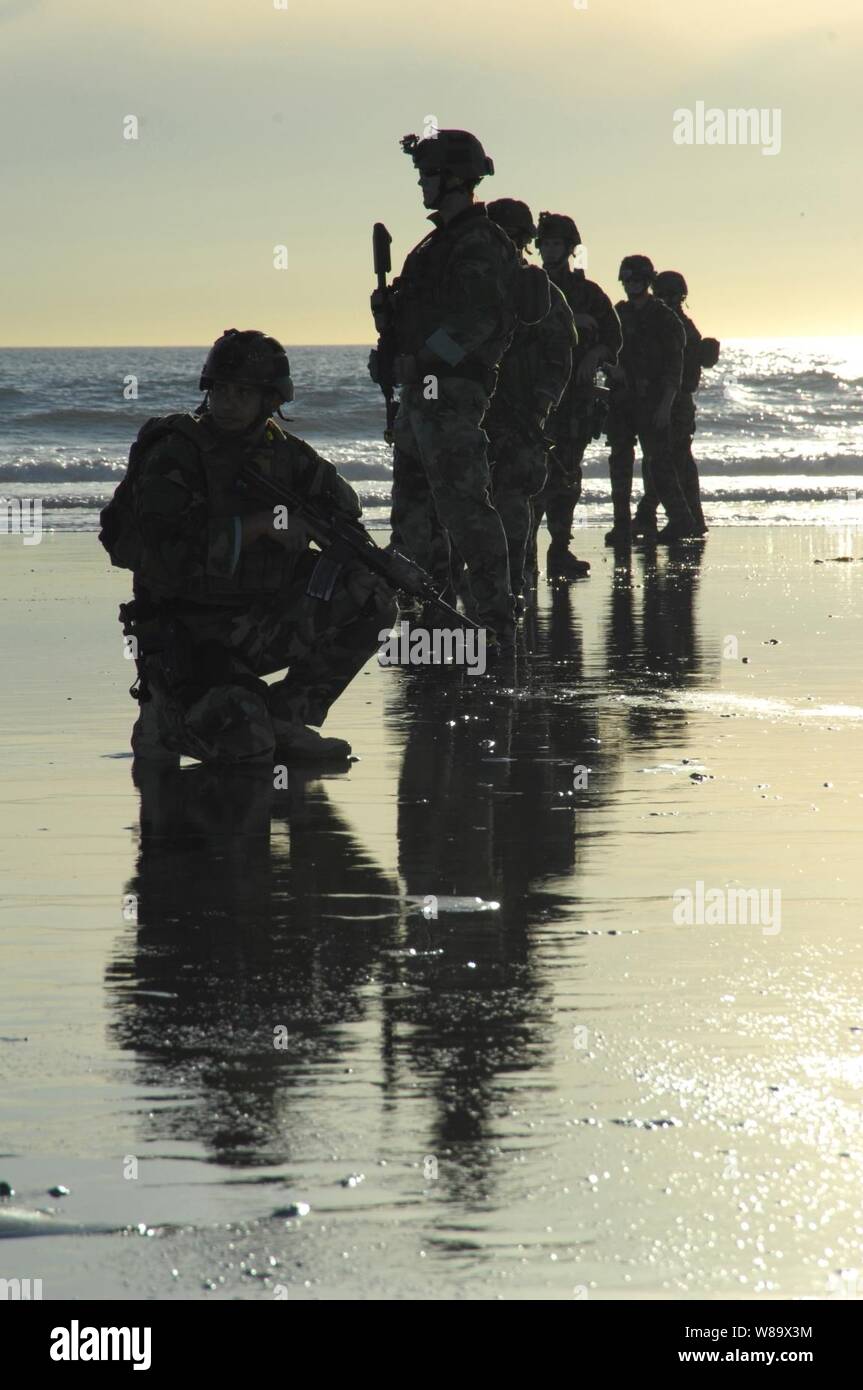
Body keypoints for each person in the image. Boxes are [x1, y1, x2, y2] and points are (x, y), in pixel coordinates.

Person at [99, 328, 397, 764]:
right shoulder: (175, 453)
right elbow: (165, 557)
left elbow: (343, 511)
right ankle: (164, 718)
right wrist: (259, 526)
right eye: (221, 389)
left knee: (371, 594)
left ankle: (288, 718)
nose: (228, 402)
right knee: (250, 745)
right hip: (188, 636)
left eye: (243, 392)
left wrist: (344, 543)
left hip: (254, 624)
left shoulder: (286, 455)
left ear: (270, 402)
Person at [374, 129, 521, 644]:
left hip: (451, 390)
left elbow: (476, 321)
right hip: (423, 389)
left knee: (462, 506)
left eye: (427, 175)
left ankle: (493, 625)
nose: (421, 185)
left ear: (455, 179)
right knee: (413, 511)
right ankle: (428, 618)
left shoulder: (478, 241)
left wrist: (423, 357)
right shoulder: (440, 242)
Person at [483, 198, 574, 611]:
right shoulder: (472, 285)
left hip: (521, 419)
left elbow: (560, 356)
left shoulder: (539, 291)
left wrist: (540, 406)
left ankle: (513, 591)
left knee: (515, 505)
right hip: (475, 417)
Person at [529, 212, 622, 579]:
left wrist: (596, 354)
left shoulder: (588, 292)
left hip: (575, 402)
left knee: (566, 476)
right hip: (533, 397)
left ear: (569, 249)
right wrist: (570, 321)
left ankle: (559, 549)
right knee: (529, 474)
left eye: (556, 245)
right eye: (545, 244)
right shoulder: (529, 286)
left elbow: (613, 338)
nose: (550, 251)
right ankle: (523, 554)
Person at [604, 255, 700, 546]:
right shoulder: (618, 314)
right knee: (620, 463)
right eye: (628, 279)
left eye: (638, 279)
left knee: (660, 464)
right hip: (622, 401)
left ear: (647, 281)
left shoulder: (664, 318)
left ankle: (681, 519)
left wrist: (666, 404)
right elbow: (605, 347)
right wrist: (610, 368)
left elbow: (675, 367)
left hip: (653, 401)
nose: (632, 285)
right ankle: (622, 524)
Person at [633, 270, 720, 537]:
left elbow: (680, 371)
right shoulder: (667, 323)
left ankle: (675, 518)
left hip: (676, 403)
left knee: (669, 465)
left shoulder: (677, 326)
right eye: (662, 295)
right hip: (668, 402)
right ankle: (677, 518)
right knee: (668, 464)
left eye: (670, 296)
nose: (667, 300)